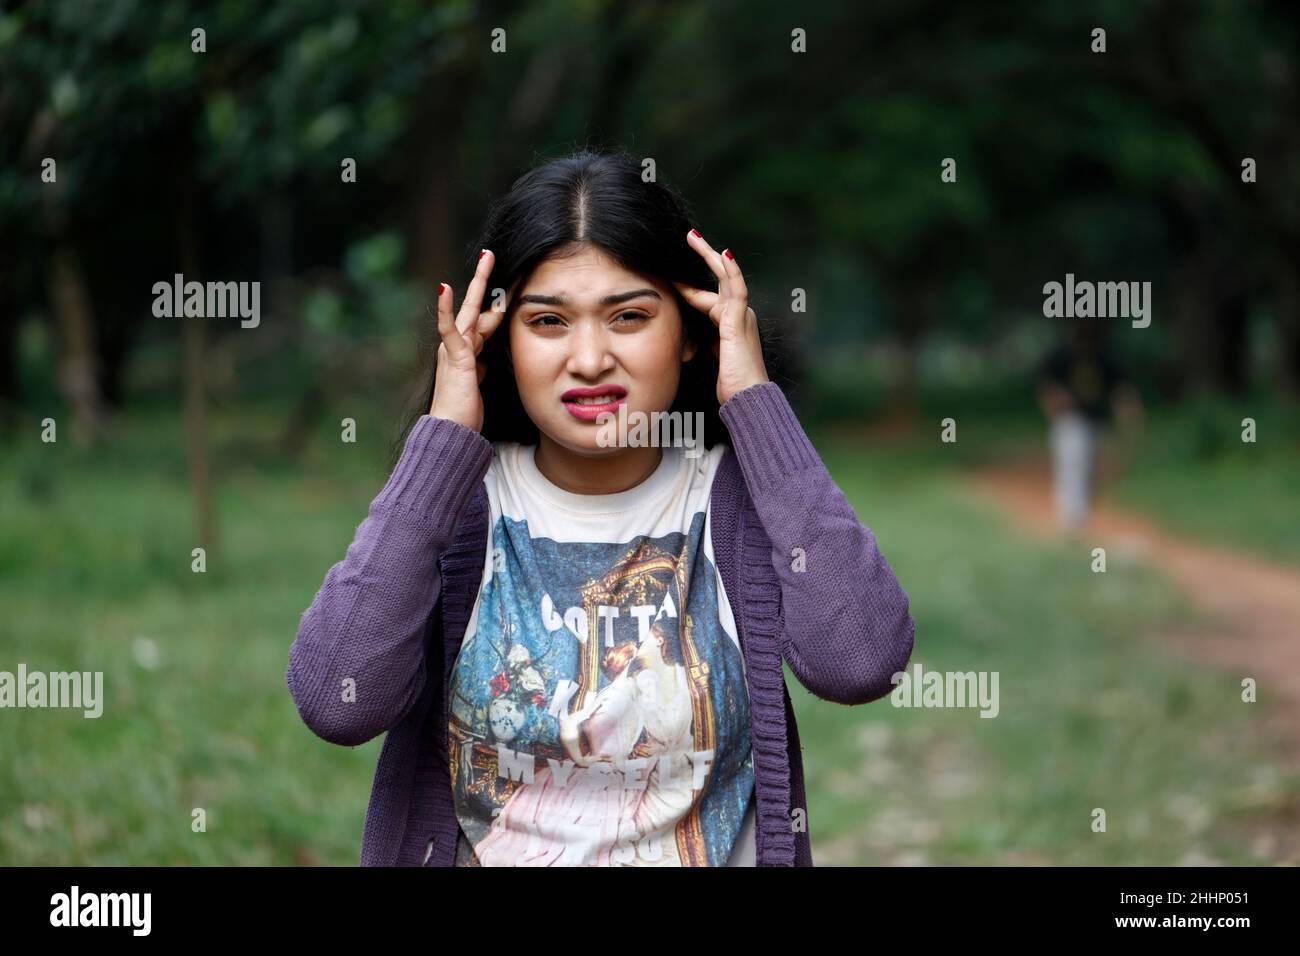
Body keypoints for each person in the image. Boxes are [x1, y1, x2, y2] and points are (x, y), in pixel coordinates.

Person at [286, 149, 916, 867]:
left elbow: (862, 663)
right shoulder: (457, 511)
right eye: (548, 321)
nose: (588, 359)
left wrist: (754, 405)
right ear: (498, 340)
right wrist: (440, 444)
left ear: (689, 333)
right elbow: (339, 703)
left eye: (629, 316)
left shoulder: (741, 502)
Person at [1035, 318, 1143, 534]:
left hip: (1097, 422)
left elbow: (1122, 391)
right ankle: (1072, 523)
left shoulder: (1105, 356)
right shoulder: (1061, 355)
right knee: (1073, 467)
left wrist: (1130, 418)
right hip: (1070, 422)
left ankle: (1081, 517)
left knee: (1093, 473)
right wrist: (1053, 406)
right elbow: (1045, 386)